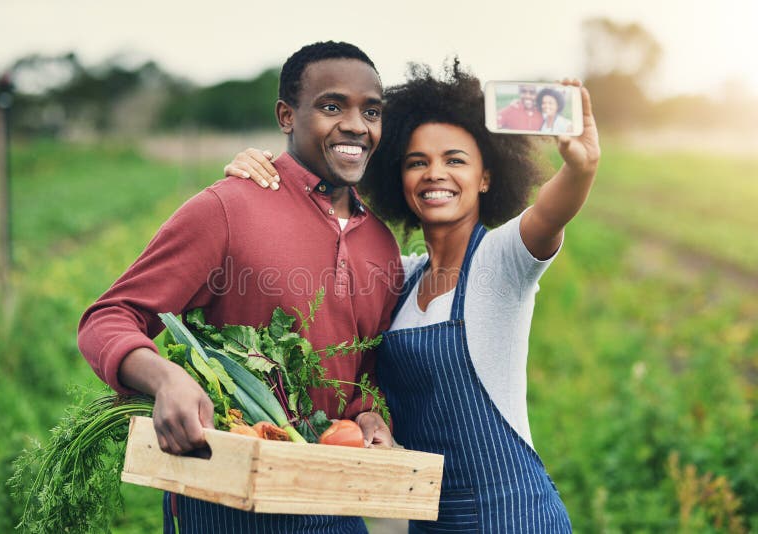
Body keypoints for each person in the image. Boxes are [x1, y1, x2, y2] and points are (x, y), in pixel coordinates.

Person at [225, 59, 600, 532]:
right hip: (429, 519)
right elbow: (309, 247)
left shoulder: (503, 261)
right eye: (417, 162)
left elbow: (550, 213)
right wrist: (263, 177)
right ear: (399, 181)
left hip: (515, 514)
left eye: (455, 160)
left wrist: (580, 169)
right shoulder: (395, 276)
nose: (434, 174)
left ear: (486, 178)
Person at [78, 41, 402, 534]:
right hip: (224, 501)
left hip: (335, 506)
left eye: (371, 111)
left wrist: (372, 419)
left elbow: (364, 379)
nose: (357, 124)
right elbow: (109, 317)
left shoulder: (381, 243)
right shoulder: (227, 209)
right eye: (332, 106)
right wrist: (166, 379)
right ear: (286, 116)